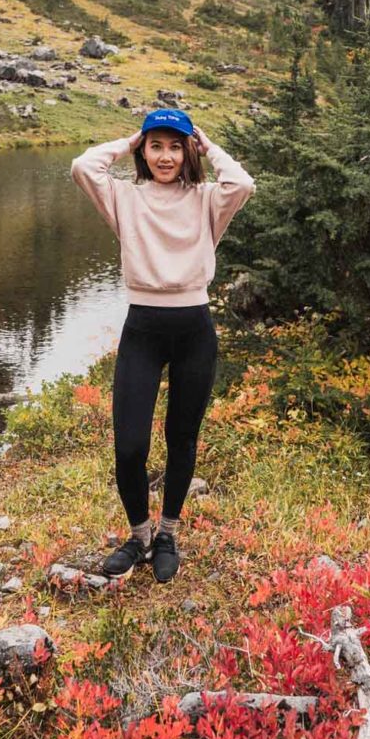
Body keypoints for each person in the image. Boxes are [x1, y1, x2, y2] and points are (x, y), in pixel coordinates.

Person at [69, 108, 256, 583]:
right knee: (130, 446)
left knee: (181, 438)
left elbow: (243, 184)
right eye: (156, 146)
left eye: (176, 146)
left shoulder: (208, 200)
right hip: (142, 331)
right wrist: (131, 139)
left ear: (188, 150)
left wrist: (209, 145)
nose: (165, 156)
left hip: (194, 328)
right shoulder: (124, 198)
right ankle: (140, 535)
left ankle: (168, 533)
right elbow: (83, 167)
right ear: (144, 151)